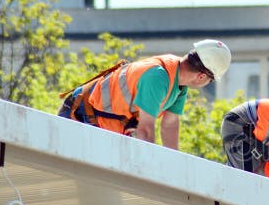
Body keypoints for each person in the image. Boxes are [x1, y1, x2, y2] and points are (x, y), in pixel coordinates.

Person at [59, 39, 231, 149]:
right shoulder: (158, 77)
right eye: (211, 80)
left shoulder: (180, 84)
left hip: (101, 125)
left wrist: (174, 166)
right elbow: (145, 131)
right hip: (80, 113)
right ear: (201, 76)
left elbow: (170, 125)